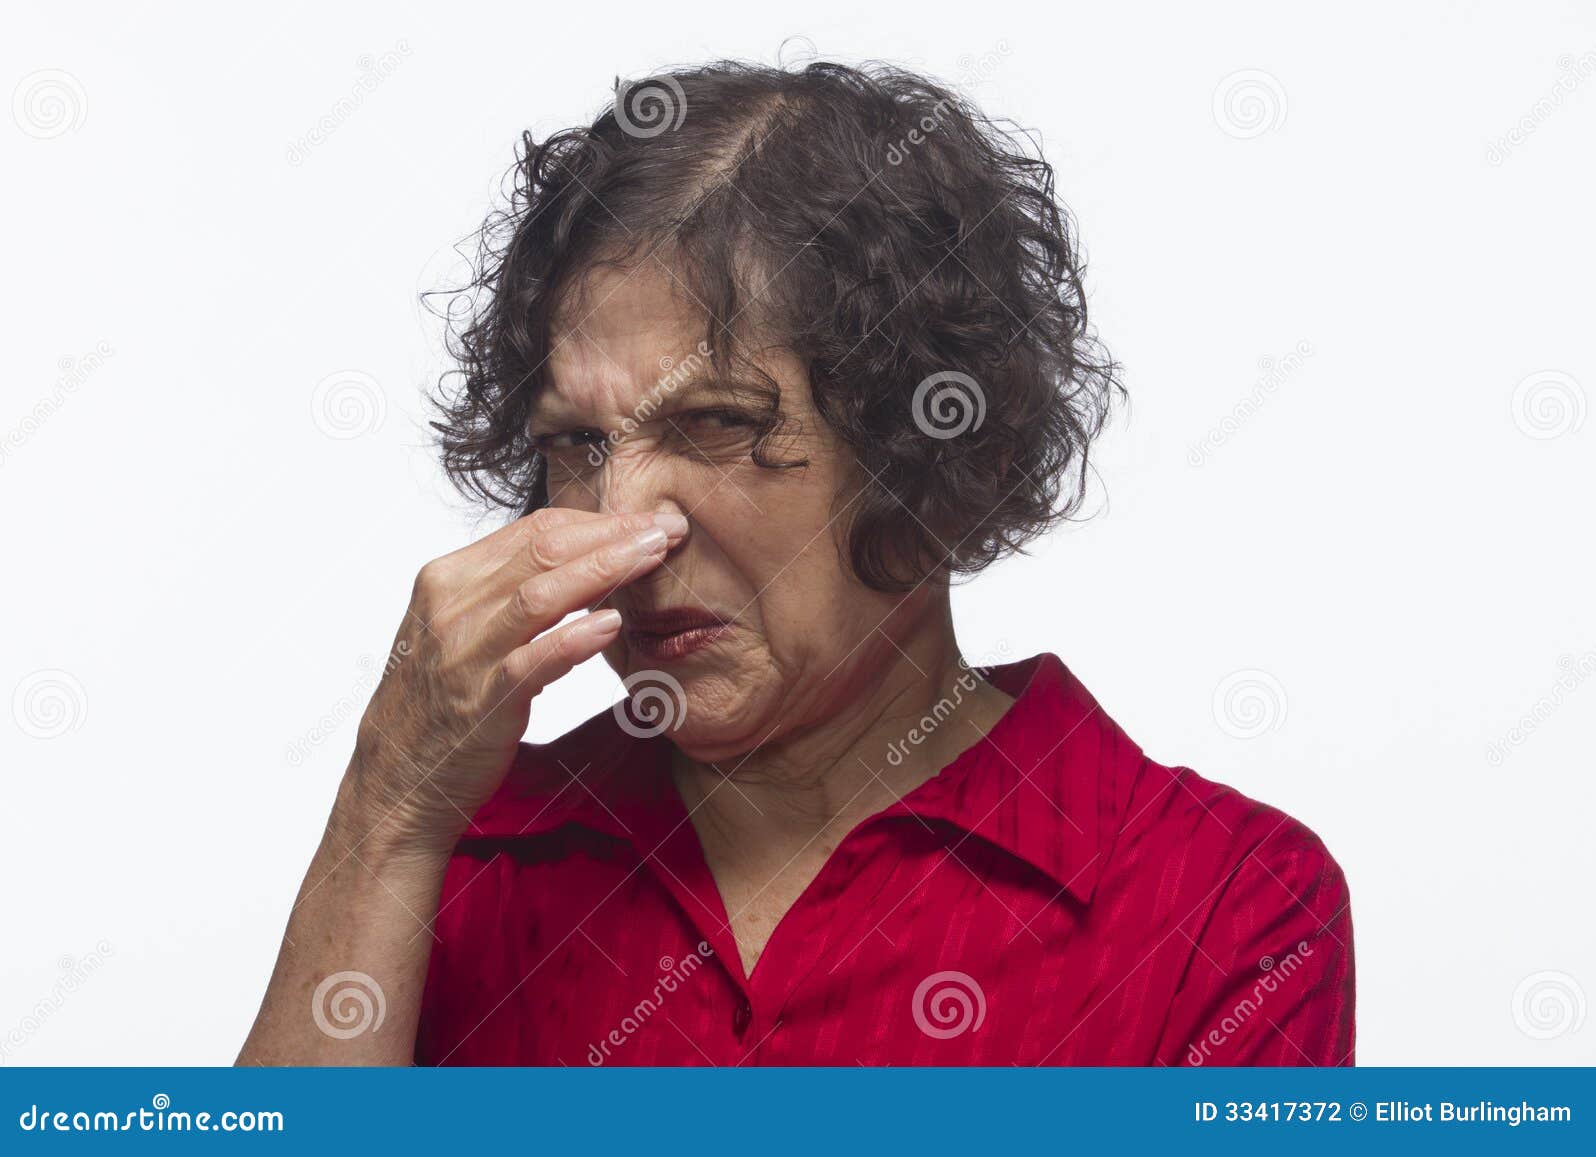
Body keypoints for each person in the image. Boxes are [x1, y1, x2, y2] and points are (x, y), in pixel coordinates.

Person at [239, 59, 1353, 1066]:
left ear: (938, 463)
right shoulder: (461, 857)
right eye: (578, 444)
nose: (625, 524)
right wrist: (386, 808)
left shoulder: (1219, 902)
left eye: (717, 424)